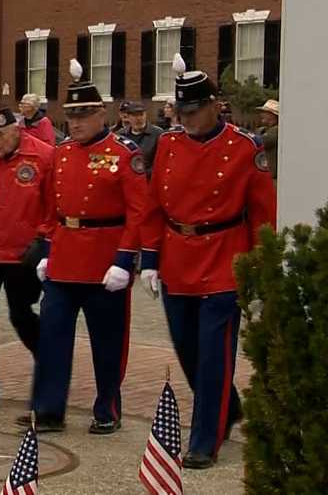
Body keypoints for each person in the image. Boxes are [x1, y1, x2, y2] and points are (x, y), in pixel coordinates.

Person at [142, 56, 276, 469]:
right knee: (186, 348)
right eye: (181, 112)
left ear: (214, 105)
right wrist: (149, 257)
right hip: (178, 257)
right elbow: (153, 204)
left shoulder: (244, 148)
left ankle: (205, 439)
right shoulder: (167, 144)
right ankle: (227, 407)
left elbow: (263, 213)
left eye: (194, 111)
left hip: (224, 256)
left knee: (214, 355)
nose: (187, 120)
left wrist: (259, 271)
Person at [27, 60, 155, 436]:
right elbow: (53, 207)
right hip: (65, 257)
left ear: (102, 114)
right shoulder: (62, 153)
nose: (76, 122)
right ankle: (49, 409)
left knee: (108, 341)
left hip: (104, 260)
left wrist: (124, 260)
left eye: (84, 115)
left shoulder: (124, 152)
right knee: (52, 337)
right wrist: (49, 249)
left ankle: (107, 407)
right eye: (71, 116)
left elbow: (139, 212)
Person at [0, 108, 52, 410]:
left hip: (23, 255)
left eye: (0, 135)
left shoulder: (43, 157)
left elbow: (53, 204)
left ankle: (50, 370)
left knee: (21, 315)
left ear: (17, 130)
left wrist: (42, 239)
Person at [117, 100, 164, 178]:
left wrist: (142, 174)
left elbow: (161, 162)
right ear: (128, 117)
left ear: (145, 115)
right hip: (126, 180)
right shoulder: (120, 135)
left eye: (141, 115)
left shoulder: (158, 134)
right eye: (134, 115)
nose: (138, 118)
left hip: (148, 180)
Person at [256, 99, 279, 181]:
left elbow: (260, 142)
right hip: (262, 174)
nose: (262, 114)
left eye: (266, 112)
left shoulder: (277, 130)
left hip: (272, 176)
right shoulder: (262, 130)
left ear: (273, 115)